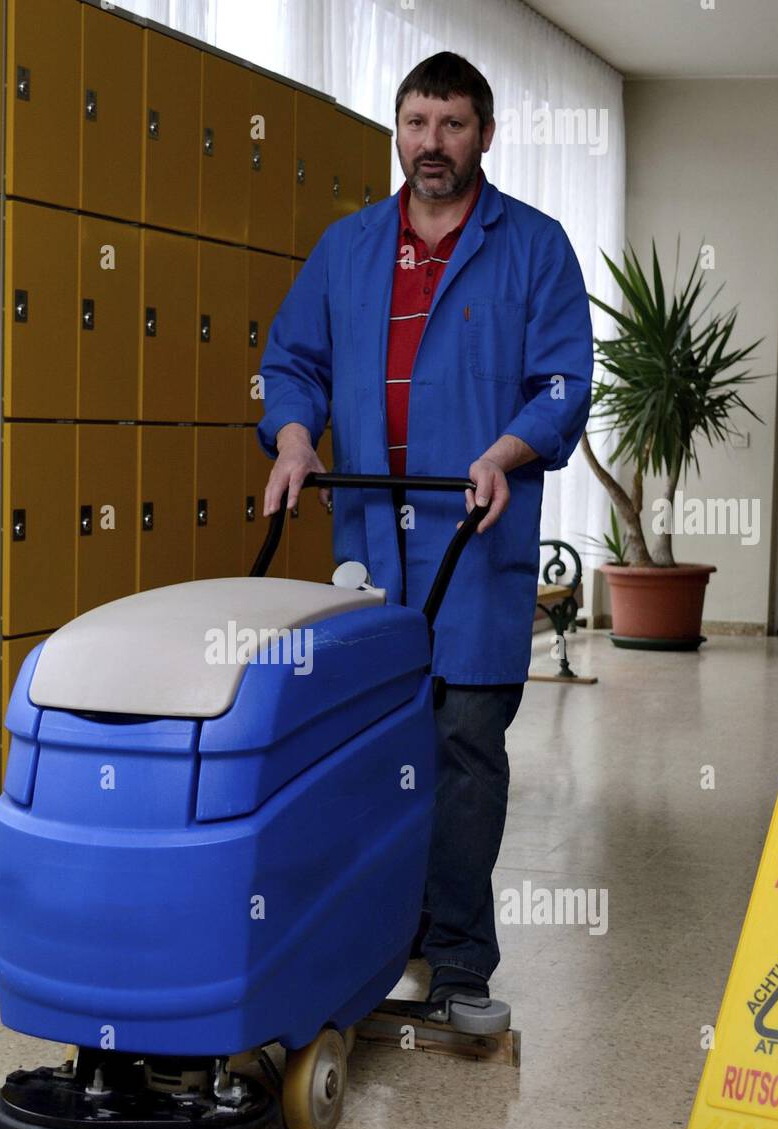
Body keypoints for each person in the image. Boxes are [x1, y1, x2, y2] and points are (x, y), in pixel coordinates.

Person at [257, 51, 593, 1028]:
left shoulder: (532, 247)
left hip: (474, 545)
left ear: (484, 134)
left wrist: (505, 451)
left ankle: (457, 961)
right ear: (395, 132)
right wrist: (289, 437)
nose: (430, 144)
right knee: (373, 747)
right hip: (370, 544)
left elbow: (563, 382)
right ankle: (375, 934)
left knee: (460, 744)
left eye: (450, 124)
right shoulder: (350, 248)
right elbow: (293, 362)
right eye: (414, 122)